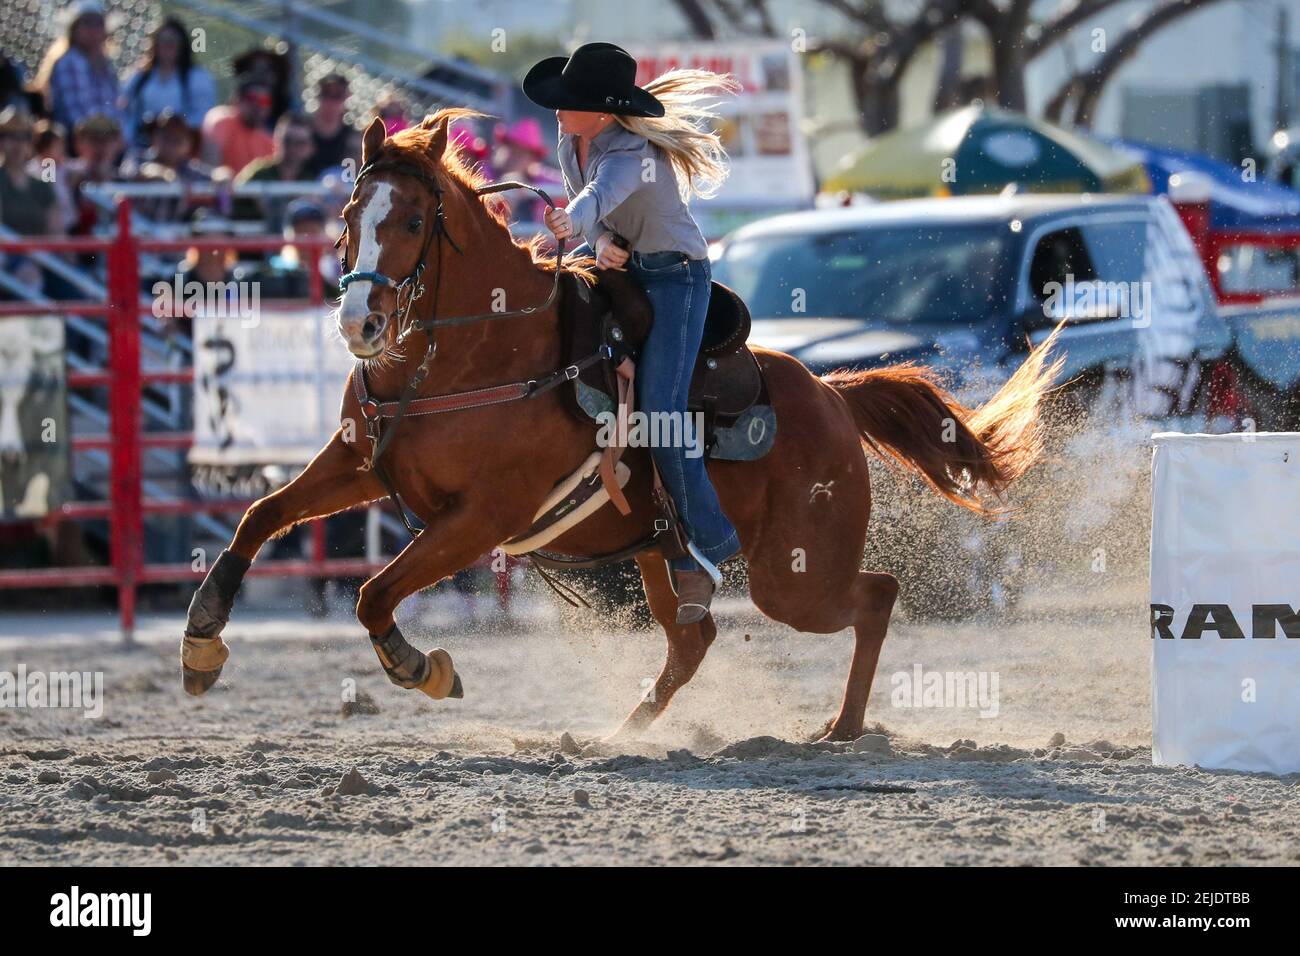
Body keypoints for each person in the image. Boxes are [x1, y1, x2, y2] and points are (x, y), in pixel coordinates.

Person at [524, 42, 741, 623]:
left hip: (676, 280)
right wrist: (599, 244)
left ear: (600, 110)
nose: (559, 110)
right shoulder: (574, 141)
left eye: (570, 103)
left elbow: (600, 196)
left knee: (661, 414)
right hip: (626, 275)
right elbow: (601, 215)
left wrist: (576, 223)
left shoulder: (631, 150)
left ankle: (712, 552)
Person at [120, 16, 216, 149]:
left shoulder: (196, 77)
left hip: (180, 147)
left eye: (172, 43)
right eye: (162, 42)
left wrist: (172, 130)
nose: (167, 48)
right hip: (141, 146)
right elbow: (126, 111)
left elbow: (202, 116)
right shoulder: (140, 77)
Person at [35, 1, 121, 135]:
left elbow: (116, 106)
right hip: (80, 141)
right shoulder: (69, 62)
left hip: (107, 140)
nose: (93, 29)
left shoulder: (105, 65)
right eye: (87, 22)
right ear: (74, 29)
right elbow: (78, 116)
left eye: (98, 23)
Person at [233, 111, 316, 228]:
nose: (292, 148)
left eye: (299, 143)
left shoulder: (312, 180)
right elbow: (234, 199)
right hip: (257, 242)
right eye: (287, 140)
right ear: (276, 141)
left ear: (310, 147)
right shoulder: (259, 173)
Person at [0, 107, 63, 236]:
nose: (17, 144)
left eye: (24, 137)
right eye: (10, 137)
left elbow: (57, 234)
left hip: (40, 255)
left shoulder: (42, 187)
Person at [200, 78, 275, 176]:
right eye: (252, 99)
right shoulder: (222, 122)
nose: (258, 106)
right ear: (237, 99)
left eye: (264, 101)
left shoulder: (267, 141)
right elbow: (211, 167)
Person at [304, 73, 359, 178]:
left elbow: (352, 174)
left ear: (346, 98)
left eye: (337, 95)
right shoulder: (303, 130)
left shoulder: (351, 136)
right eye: (326, 93)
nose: (331, 102)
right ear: (318, 96)